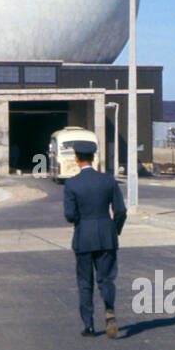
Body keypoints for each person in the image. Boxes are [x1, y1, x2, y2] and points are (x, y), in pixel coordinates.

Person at [62, 140, 128, 338]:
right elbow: (121, 211)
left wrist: (81, 221)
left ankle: (89, 326)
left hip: (83, 237)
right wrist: (113, 230)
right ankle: (109, 311)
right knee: (106, 279)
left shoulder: (72, 184)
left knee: (85, 282)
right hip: (106, 236)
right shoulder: (108, 180)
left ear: (76, 159)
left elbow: (70, 215)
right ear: (94, 158)